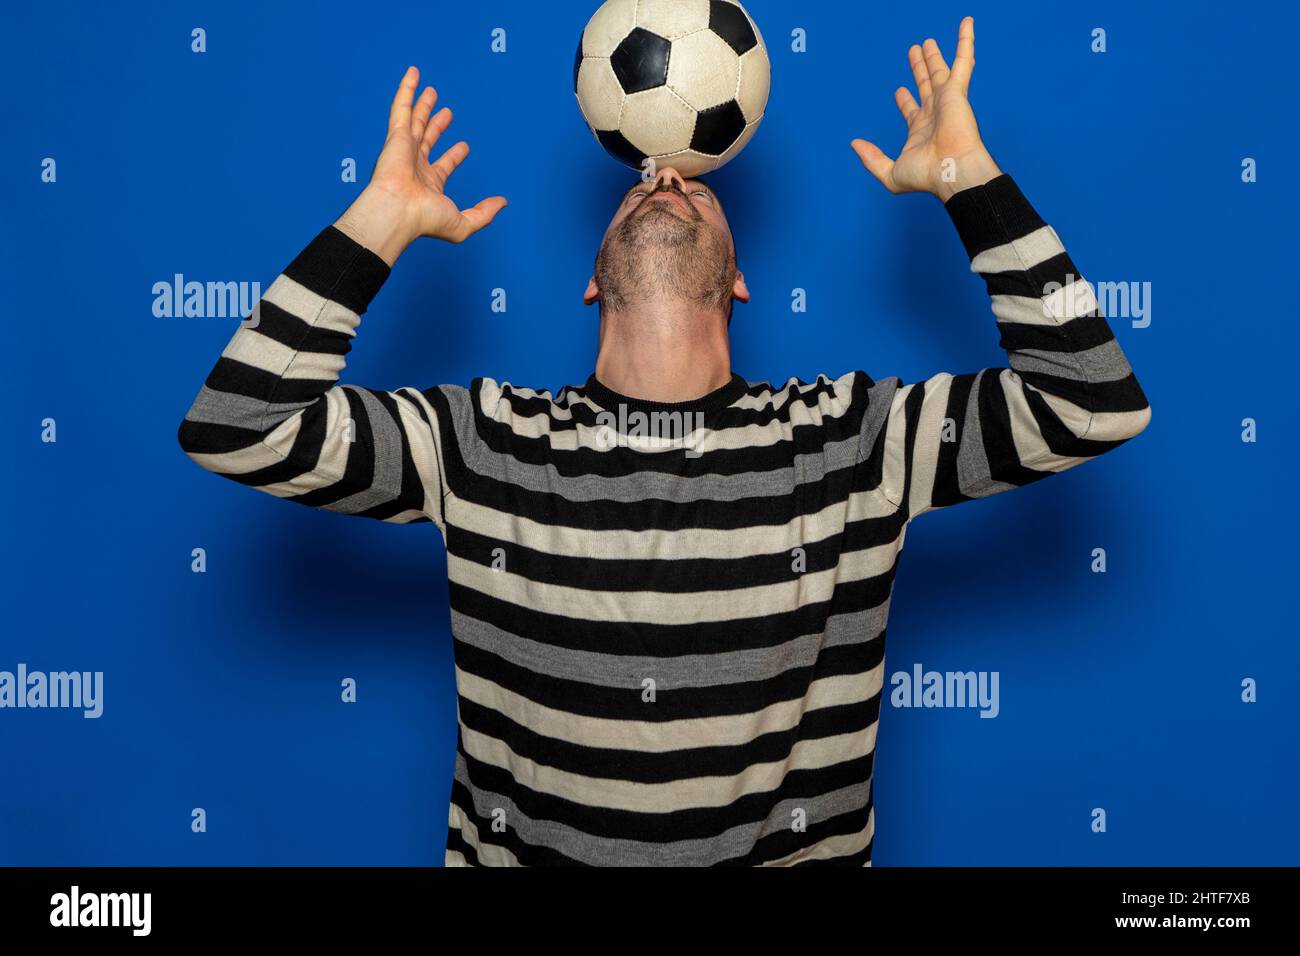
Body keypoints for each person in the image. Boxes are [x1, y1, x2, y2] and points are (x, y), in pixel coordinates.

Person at [178, 18, 1151, 866]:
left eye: (695, 178)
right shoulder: (477, 441)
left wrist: (967, 180)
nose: (665, 172)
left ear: (740, 283)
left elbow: (1091, 400)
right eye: (640, 178)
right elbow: (240, 424)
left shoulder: (855, 441)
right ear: (591, 281)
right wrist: (379, 221)